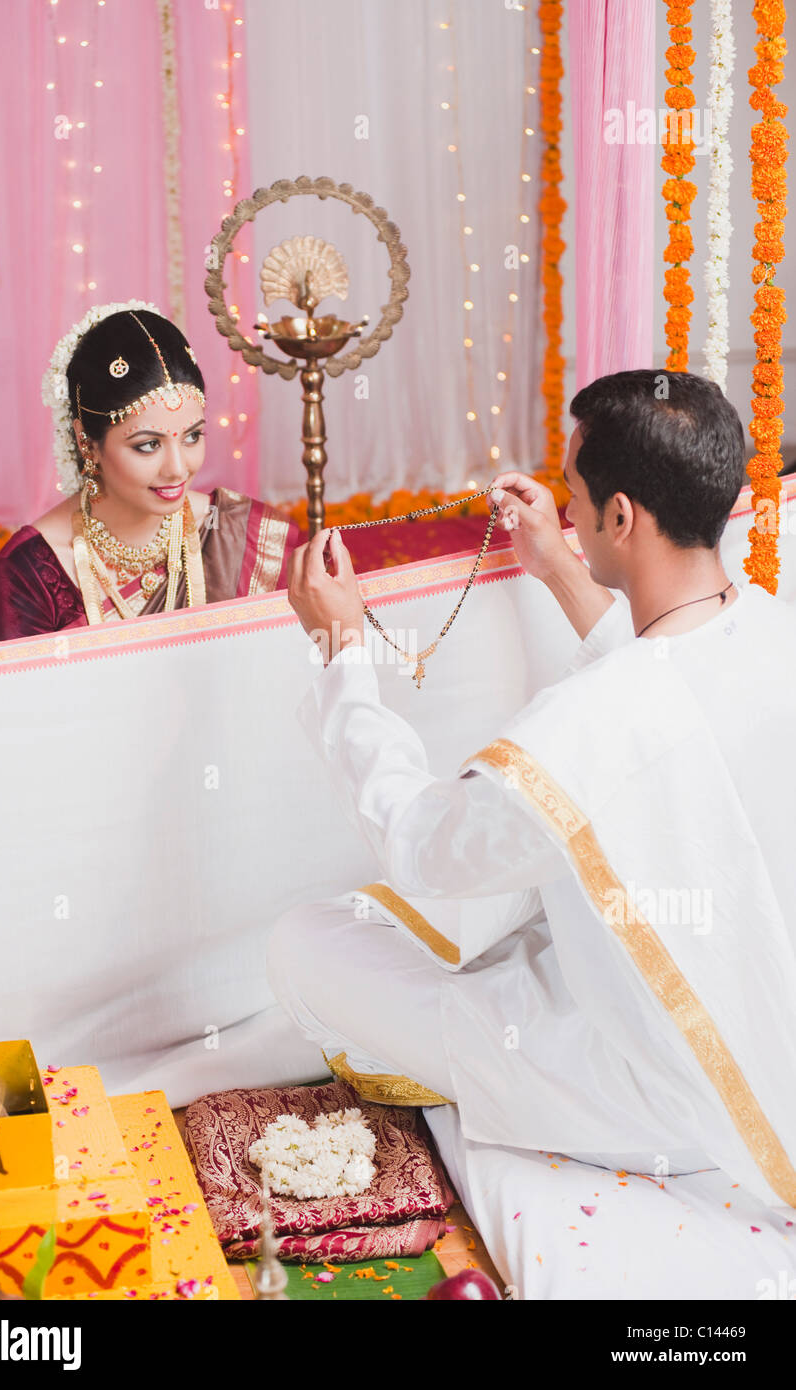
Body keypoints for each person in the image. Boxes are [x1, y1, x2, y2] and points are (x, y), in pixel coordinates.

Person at [270, 368, 796, 1222]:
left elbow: (423, 847)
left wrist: (340, 652)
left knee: (307, 943)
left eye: (577, 494)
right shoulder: (770, 625)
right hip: (766, 1034)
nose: (568, 508)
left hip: (651, 1088)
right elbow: (659, 686)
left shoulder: (588, 729)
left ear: (620, 516)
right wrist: (559, 566)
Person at [0, 302, 300, 639]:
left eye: (192, 436)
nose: (178, 469)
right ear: (87, 442)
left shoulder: (243, 534)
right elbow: (30, 691)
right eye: (148, 445)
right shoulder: (34, 569)